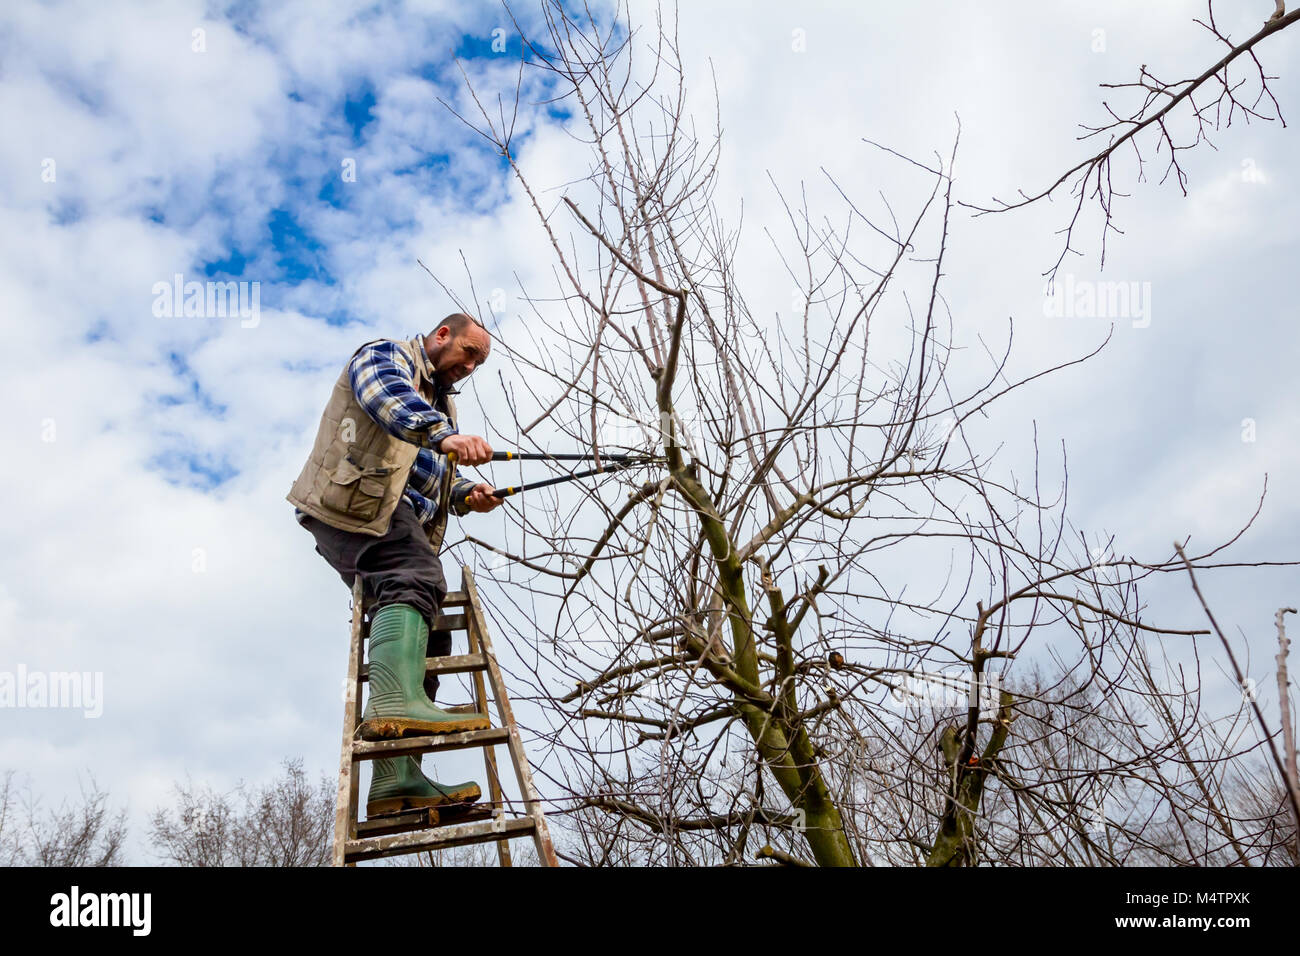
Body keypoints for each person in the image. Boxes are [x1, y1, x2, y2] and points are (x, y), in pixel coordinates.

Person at [287, 313, 503, 818]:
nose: (470, 366)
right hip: (348, 508)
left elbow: (425, 474)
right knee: (414, 575)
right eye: (469, 352)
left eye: (480, 362)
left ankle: (395, 784)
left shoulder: (437, 404)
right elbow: (388, 402)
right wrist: (445, 435)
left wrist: (469, 493)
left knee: (433, 632)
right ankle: (391, 706)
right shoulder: (387, 357)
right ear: (442, 335)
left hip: (387, 511)